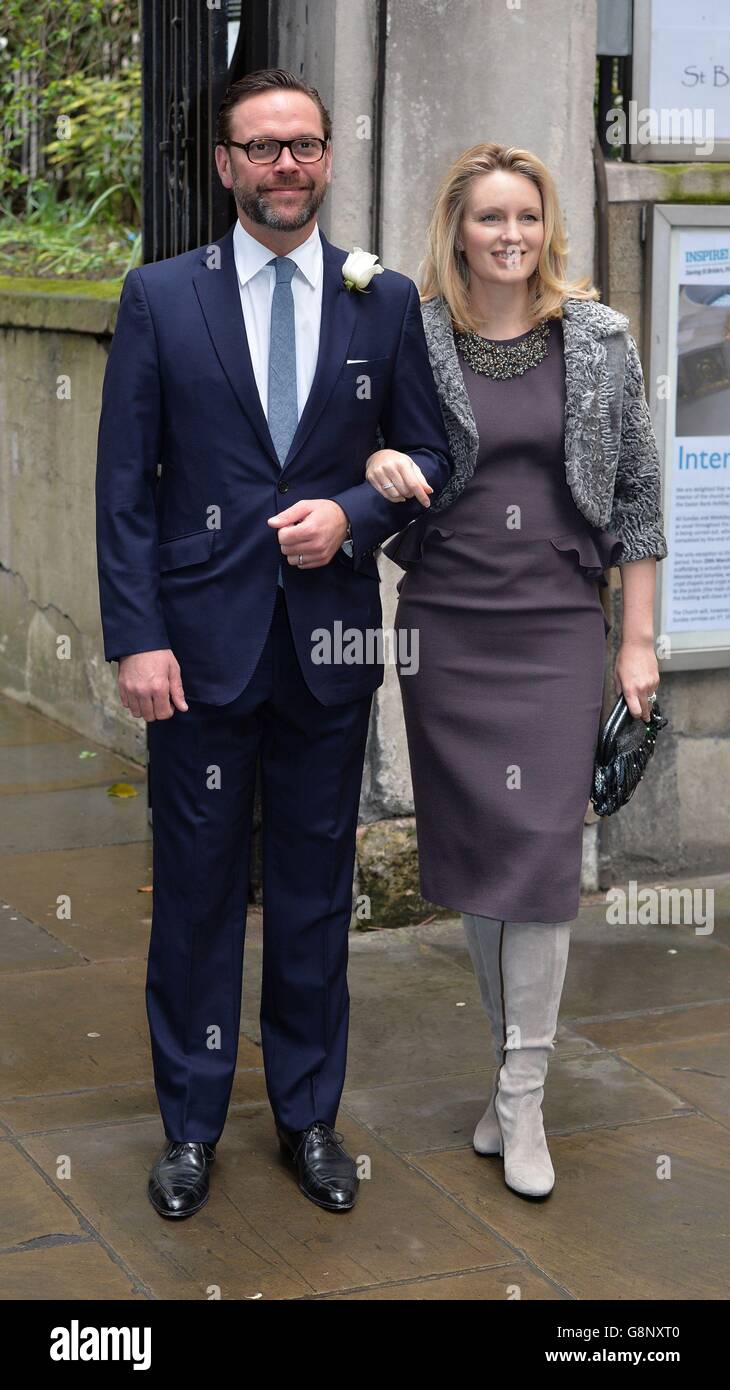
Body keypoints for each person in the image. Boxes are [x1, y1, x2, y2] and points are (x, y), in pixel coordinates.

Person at [94, 68, 452, 1219]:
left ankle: (307, 1116)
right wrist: (136, 639)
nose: (283, 166)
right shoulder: (160, 296)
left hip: (328, 650)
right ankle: (191, 1126)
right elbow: (124, 493)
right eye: (261, 147)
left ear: (328, 159)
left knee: (312, 890)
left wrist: (356, 511)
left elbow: (430, 460)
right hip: (196, 650)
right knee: (196, 892)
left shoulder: (385, 300)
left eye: (302, 146)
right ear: (225, 166)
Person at [366, 143, 668, 1199]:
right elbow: (362, 439)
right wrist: (375, 463)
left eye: (526, 219)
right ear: (456, 230)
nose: (510, 236)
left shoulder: (594, 337)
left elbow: (635, 491)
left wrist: (635, 640)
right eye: (490, 218)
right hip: (446, 626)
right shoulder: (415, 333)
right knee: (483, 856)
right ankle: (507, 1080)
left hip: (553, 628)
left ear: (548, 230)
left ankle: (525, 1095)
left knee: (541, 857)